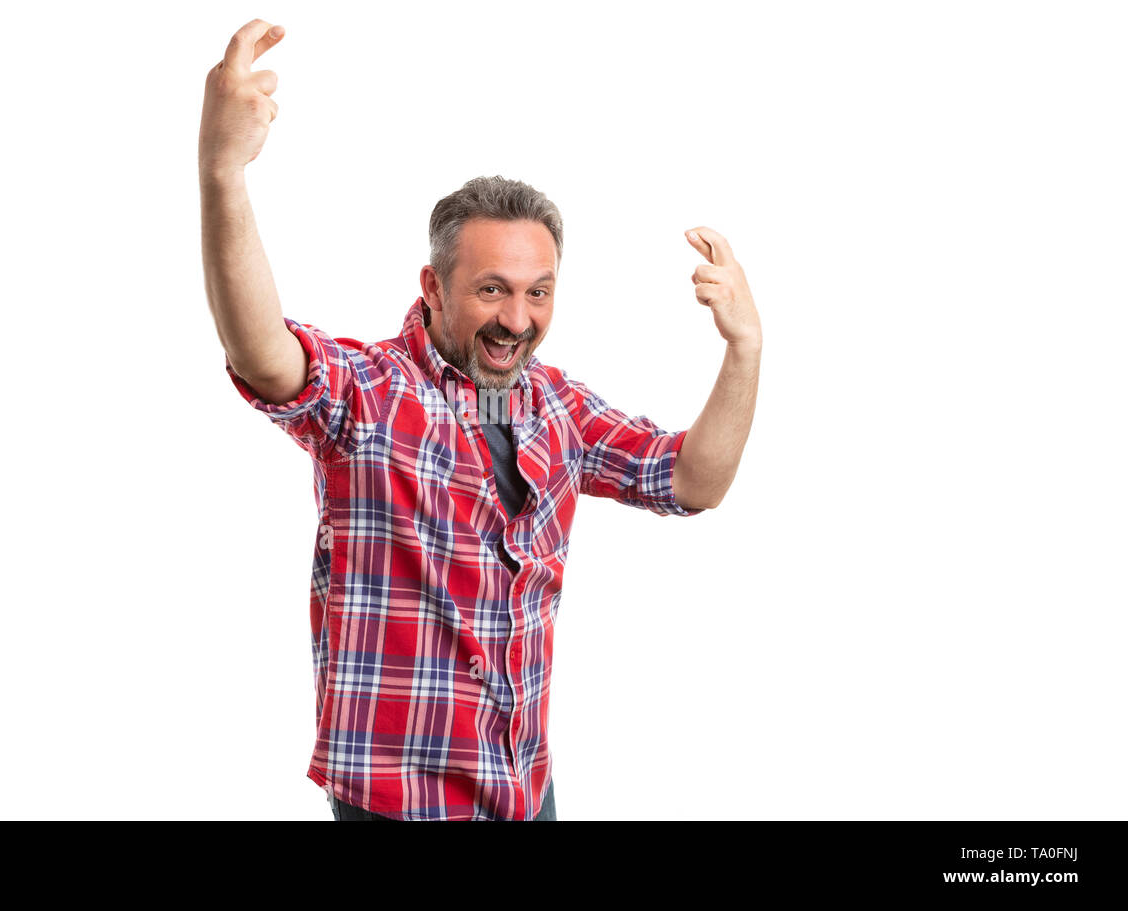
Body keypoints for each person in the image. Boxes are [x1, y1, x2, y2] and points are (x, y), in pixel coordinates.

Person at [198, 18, 762, 821]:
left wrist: (745, 347)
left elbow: (693, 480)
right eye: (492, 289)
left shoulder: (556, 409)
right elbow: (264, 353)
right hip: (400, 807)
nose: (519, 319)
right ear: (433, 286)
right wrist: (224, 173)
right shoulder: (371, 396)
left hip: (527, 795)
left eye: (539, 291)